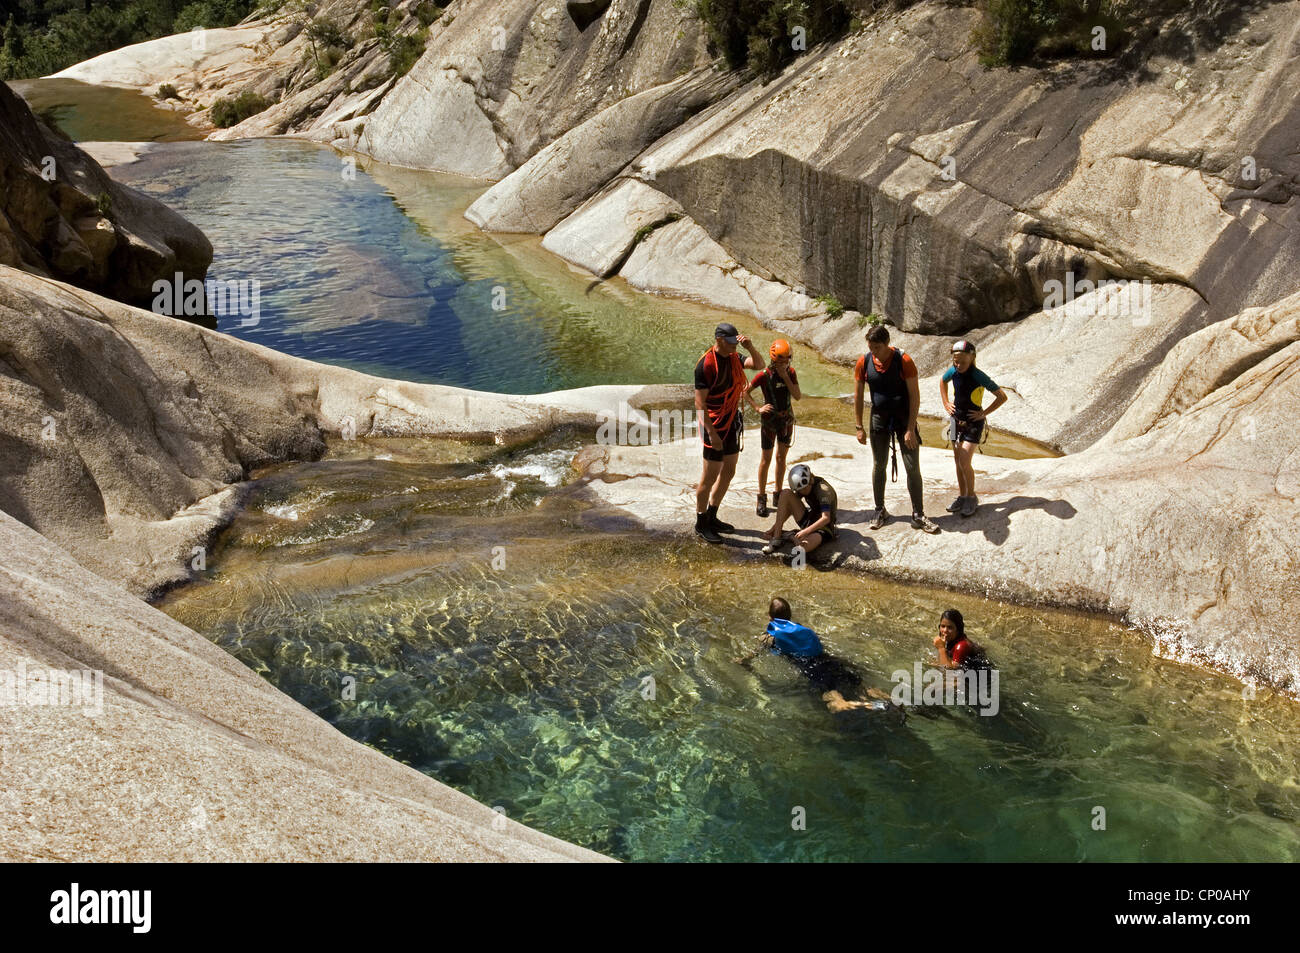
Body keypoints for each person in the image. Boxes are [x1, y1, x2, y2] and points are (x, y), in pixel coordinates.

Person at [735, 597, 897, 713]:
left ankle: (876, 706)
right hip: (830, 661)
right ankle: (893, 701)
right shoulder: (800, 628)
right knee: (864, 688)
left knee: (836, 704)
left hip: (813, 670)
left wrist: (742, 661)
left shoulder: (768, 637)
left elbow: (754, 654)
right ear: (790, 616)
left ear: (769, 617)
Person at [853, 325, 939, 533]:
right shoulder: (864, 362)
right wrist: (859, 426)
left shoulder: (904, 360)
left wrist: (910, 428)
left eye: (877, 347)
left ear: (887, 344)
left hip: (903, 418)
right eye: (871, 347)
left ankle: (918, 514)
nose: (874, 351)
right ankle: (880, 509)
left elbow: (915, 396)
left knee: (912, 466)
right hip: (879, 418)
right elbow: (857, 395)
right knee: (879, 464)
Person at [694, 322, 765, 543]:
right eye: (731, 342)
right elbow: (699, 405)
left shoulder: (735, 357)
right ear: (719, 340)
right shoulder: (705, 365)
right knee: (709, 477)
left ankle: (713, 515)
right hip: (714, 425)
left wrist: (751, 347)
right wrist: (713, 435)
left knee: (729, 470)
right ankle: (701, 522)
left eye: (736, 342)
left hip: (732, 420)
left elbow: (760, 365)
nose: (735, 346)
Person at [939, 339, 1007, 517]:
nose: (958, 365)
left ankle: (971, 497)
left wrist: (984, 413)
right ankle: (962, 496)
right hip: (955, 420)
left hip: (973, 422)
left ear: (972, 358)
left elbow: (1001, 396)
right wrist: (946, 402)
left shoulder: (978, 376)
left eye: (962, 361)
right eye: (956, 361)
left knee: (964, 460)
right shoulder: (953, 371)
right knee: (957, 460)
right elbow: (942, 381)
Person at [747, 339, 801, 517]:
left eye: (787, 360)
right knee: (766, 459)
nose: (785, 363)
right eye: (782, 360)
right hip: (769, 421)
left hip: (785, 421)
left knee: (781, 458)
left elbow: (797, 396)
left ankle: (777, 494)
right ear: (774, 359)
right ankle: (761, 497)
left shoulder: (791, 373)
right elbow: (745, 391)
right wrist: (757, 408)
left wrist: (785, 377)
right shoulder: (764, 375)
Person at [760, 463, 836, 560]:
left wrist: (805, 531)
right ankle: (777, 538)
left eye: (802, 489)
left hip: (824, 528)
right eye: (799, 490)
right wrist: (775, 528)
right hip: (810, 520)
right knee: (785, 493)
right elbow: (789, 508)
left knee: (800, 549)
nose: (801, 492)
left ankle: (791, 536)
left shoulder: (823, 491)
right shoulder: (803, 487)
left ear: (809, 482)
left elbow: (826, 518)